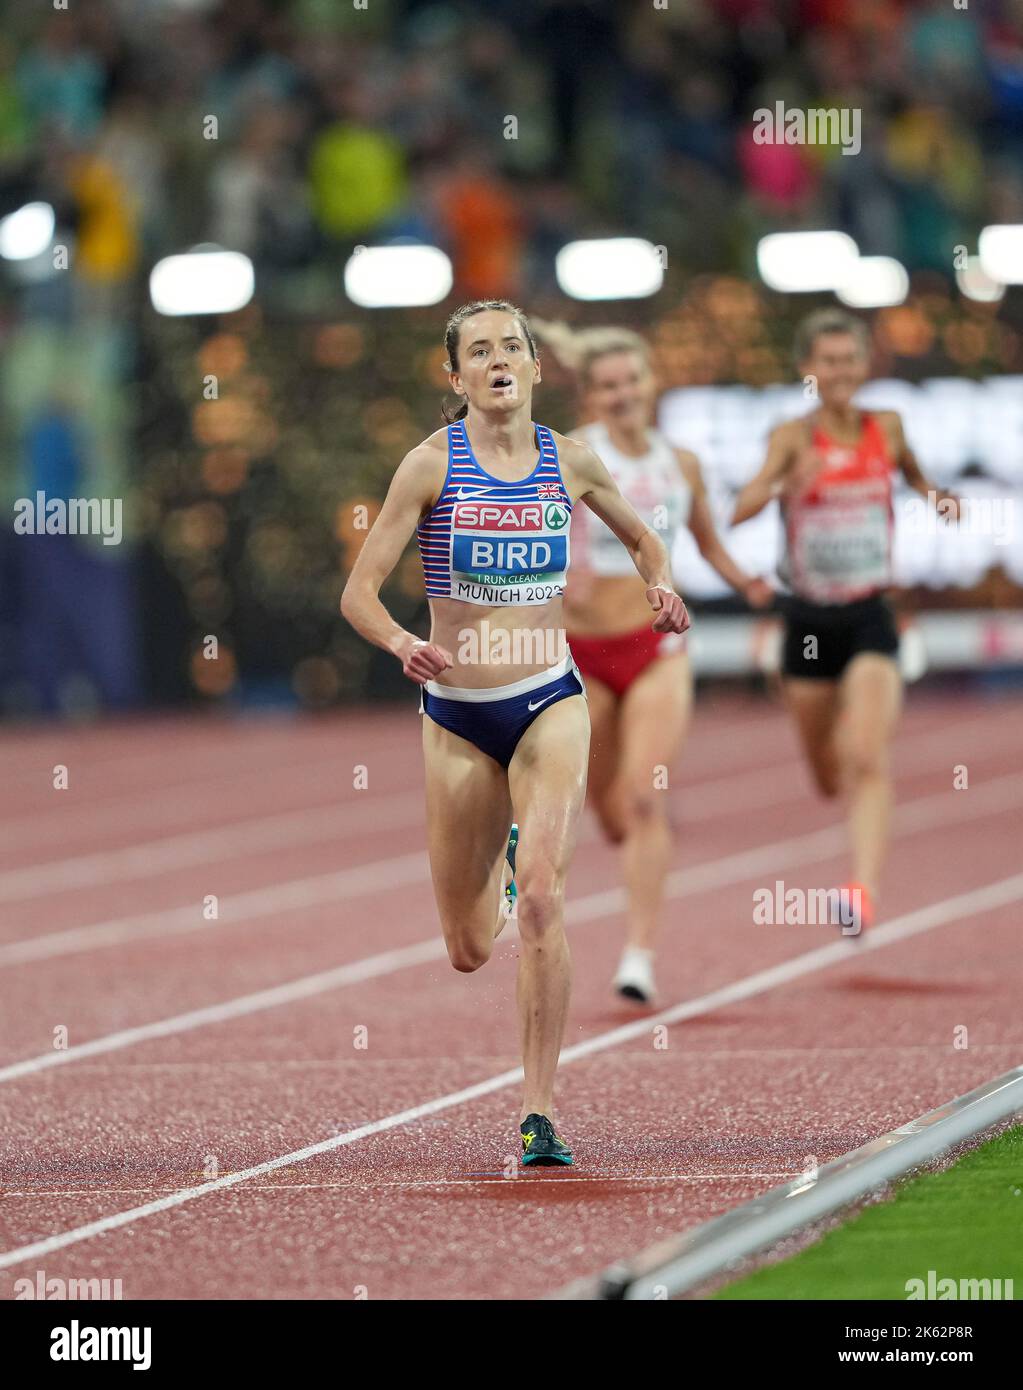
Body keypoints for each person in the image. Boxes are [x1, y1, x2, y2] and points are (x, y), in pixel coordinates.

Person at [340, 300, 690, 1165]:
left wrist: (662, 583)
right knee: (466, 949)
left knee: (544, 897)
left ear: (535, 367)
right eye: (480, 352)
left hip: (548, 701)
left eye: (512, 348)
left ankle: (538, 1114)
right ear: (456, 378)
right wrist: (401, 641)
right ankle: (495, 883)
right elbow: (358, 593)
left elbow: (645, 539)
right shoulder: (428, 467)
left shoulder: (570, 460)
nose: (499, 361)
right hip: (457, 715)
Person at [534, 322, 772, 1003]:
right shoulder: (571, 454)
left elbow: (704, 541)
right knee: (605, 806)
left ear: (650, 383)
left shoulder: (681, 462)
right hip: (581, 648)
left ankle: (637, 954)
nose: (620, 394)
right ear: (591, 393)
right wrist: (563, 571)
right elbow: (539, 528)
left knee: (644, 796)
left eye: (629, 381)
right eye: (606, 386)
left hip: (655, 646)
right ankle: (620, 822)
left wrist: (744, 581)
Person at [732, 308, 959, 934]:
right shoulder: (791, 437)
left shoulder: (886, 425)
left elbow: (915, 475)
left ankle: (860, 892)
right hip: (806, 621)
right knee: (828, 775)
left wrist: (938, 498)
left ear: (865, 365)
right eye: (827, 361)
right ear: (808, 368)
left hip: (870, 613)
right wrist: (783, 485)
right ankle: (835, 787)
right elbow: (739, 508)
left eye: (849, 359)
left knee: (867, 754)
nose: (839, 371)